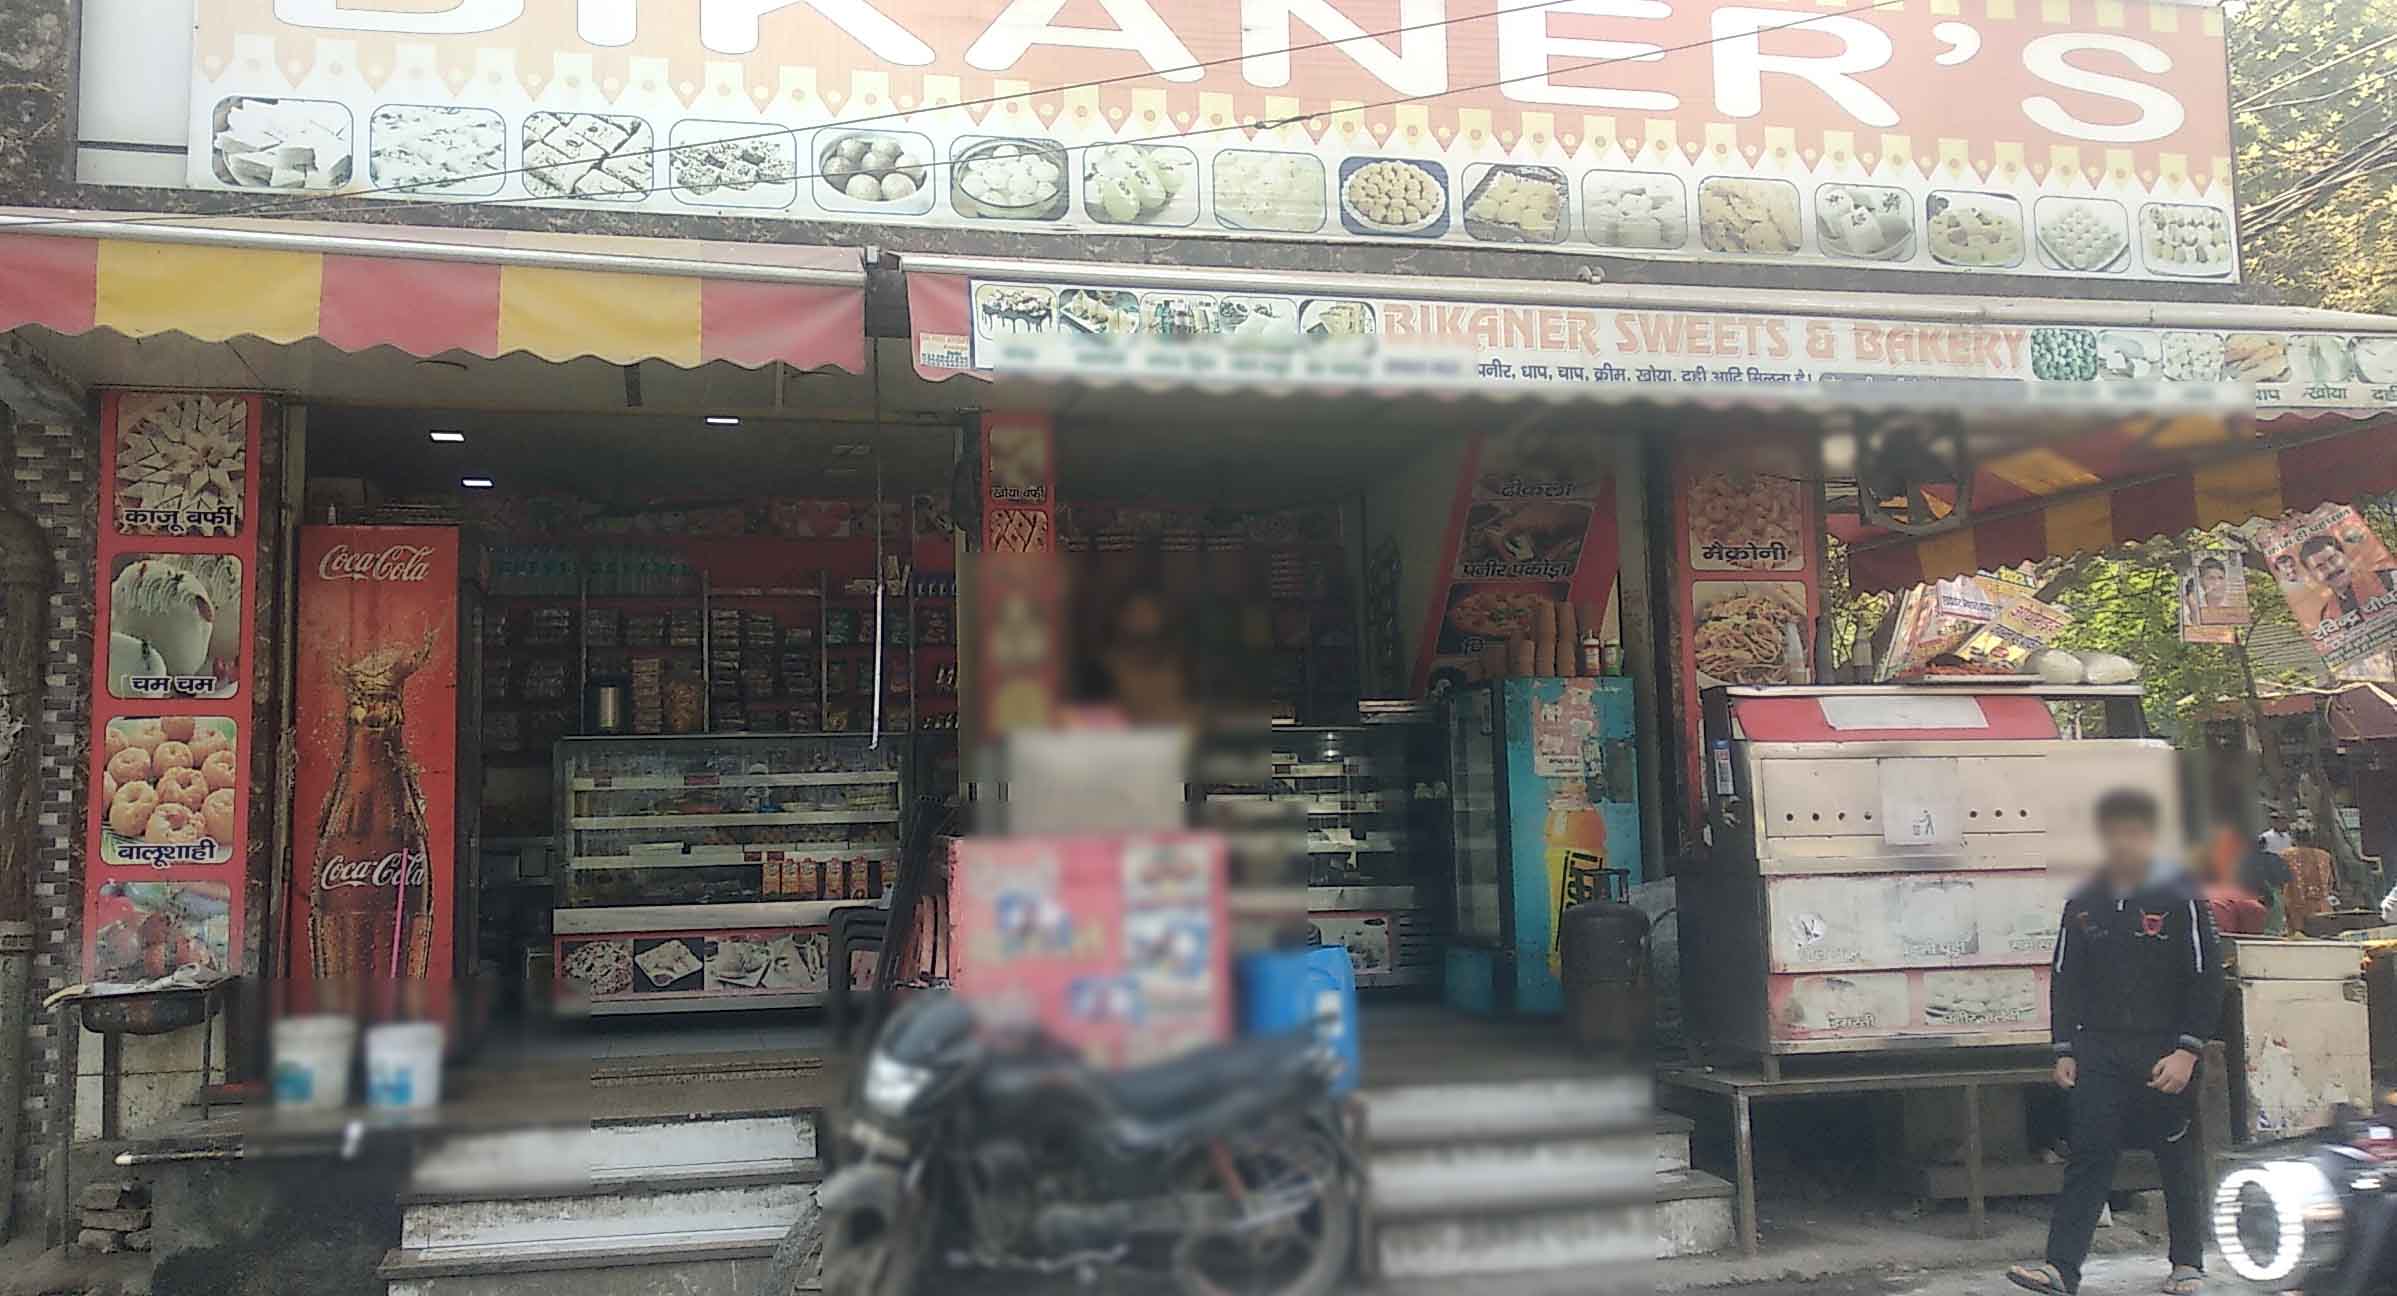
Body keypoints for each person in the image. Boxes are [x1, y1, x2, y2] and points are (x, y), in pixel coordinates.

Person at [2008, 788, 2224, 1296]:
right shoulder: (2085, 899)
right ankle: (2061, 1269)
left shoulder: (2181, 896)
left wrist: (2187, 1050)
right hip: (2098, 1050)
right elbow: (2066, 976)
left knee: (2175, 1154)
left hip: (2164, 1050)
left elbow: (2206, 975)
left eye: (2135, 833)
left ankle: (2187, 1263)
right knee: (2089, 1154)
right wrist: (2063, 1048)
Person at [2290, 534, 2397, 623]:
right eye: (2320, 567)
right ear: (2313, 576)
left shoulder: (2392, 578)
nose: (2331, 569)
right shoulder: (2328, 616)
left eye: (2333, 559)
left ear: (2346, 556)